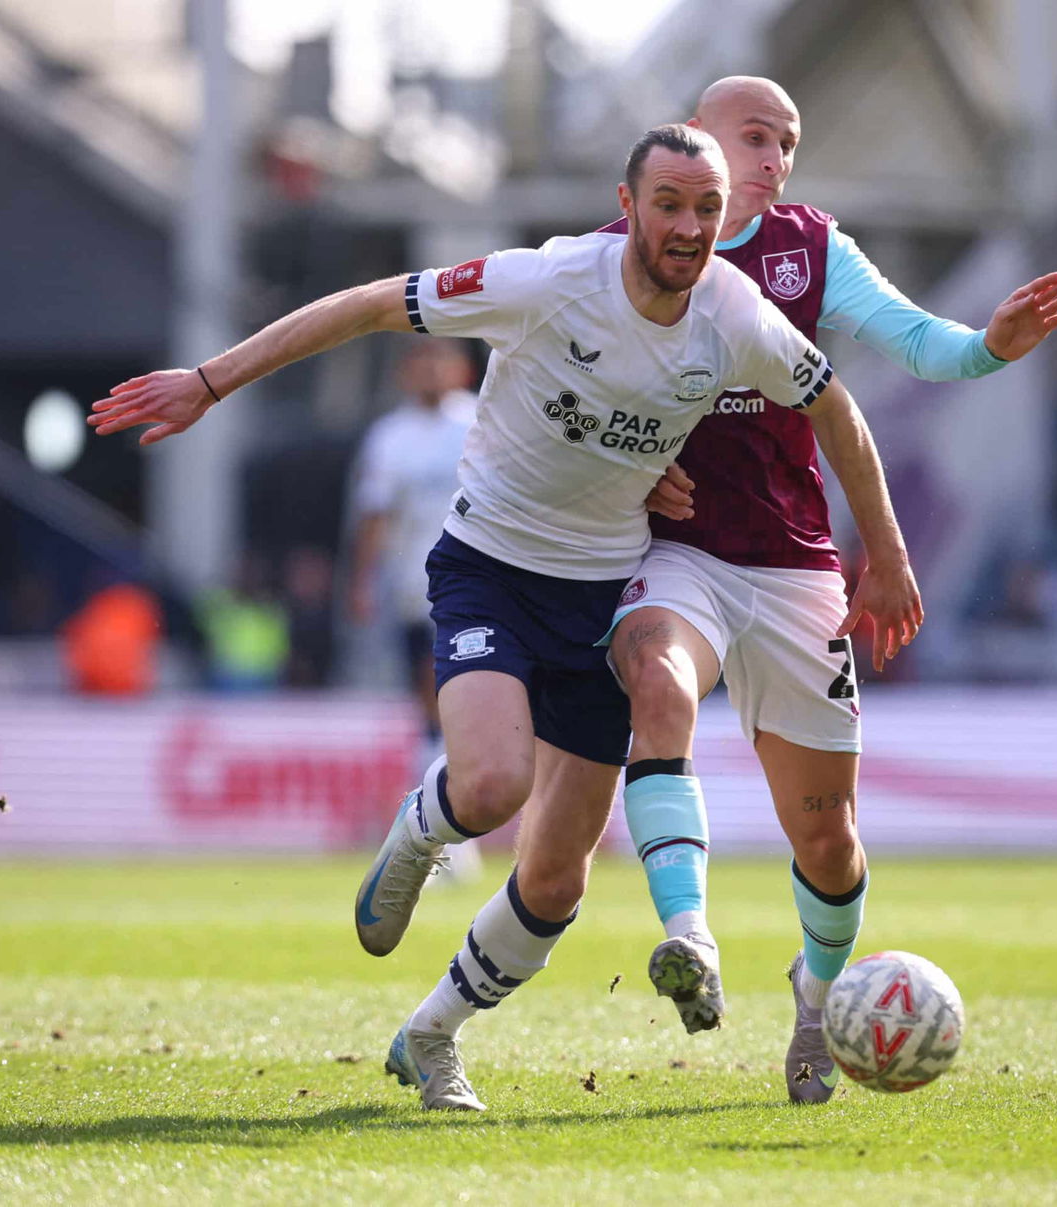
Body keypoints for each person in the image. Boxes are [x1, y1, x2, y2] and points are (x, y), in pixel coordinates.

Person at [88, 123, 923, 1112]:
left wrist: (882, 549)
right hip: (489, 568)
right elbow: (370, 304)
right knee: (490, 787)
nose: (689, 227)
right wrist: (210, 380)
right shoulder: (547, 280)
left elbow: (833, 407)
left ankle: (430, 1036)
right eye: (668, 204)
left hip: (600, 595)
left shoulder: (735, 311)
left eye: (706, 208)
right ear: (627, 207)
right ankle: (418, 834)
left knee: (558, 881)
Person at [598, 77, 1057, 1103]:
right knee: (658, 684)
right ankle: (690, 937)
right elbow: (551, 394)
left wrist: (988, 347)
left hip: (793, 562)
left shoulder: (811, 248)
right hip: (675, 552)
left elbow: (920, 343)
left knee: (827, 838)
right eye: (755, 136)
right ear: (694, 139)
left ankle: (815, 1000)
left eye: (788, 142)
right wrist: (623, 463)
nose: (775, 158)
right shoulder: (614, 250)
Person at [346, 341, 483, 877]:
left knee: (466, 702)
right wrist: (363, 581)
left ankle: (449, 827)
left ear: (461, 368)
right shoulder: (390, 436)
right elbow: (375, 514)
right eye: (419, 360)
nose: (429, 370)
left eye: (438, 359)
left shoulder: (481, 420)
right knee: (433, 703)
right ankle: (445, 831)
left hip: (482, 583)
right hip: (414, 589)